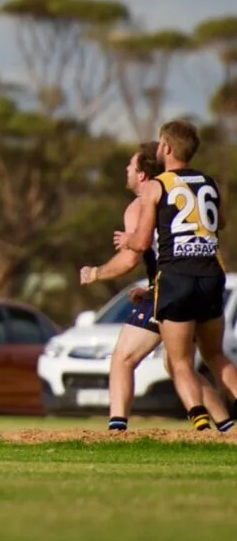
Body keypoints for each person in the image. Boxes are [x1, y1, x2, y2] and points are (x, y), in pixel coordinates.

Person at [78, 142, 233, 432]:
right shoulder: (191, 189)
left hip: (172, 287)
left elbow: (130, 258)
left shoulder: (140, 205)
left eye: (130, 165)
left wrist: (95, 273)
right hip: (200, 282)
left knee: (124, 357)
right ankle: (226, 425)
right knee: (182, 363)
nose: (126, 170)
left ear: (141, 175)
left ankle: (117, 428)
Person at [120, 120, 237, 431]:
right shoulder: (209, 181)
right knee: (215, 355)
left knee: (180, 361)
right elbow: (221, 222)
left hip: (176, 277)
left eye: (160, 144)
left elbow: (143, 242)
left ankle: (198, 422)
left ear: (167, 148)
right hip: (212, 276)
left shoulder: (157, 186)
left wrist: (127, 241)